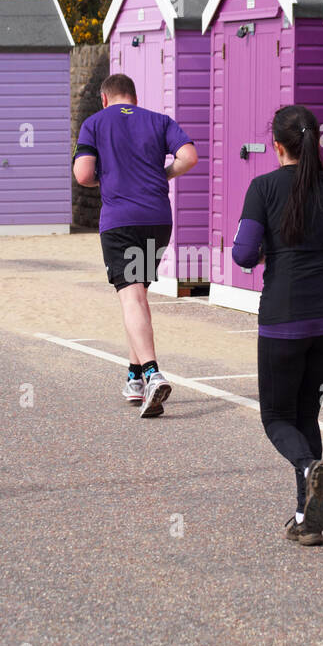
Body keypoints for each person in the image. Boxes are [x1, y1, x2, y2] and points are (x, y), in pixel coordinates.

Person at [231, 105, 323, 548]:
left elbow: (242, 254)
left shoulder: (262, 188)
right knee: (308, 413)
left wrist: (267, 253)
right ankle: (306, 519)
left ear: (277, 146)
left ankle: (312, 470)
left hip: (285, 318)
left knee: (277, 418)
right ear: (317, 141)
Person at [72, 73, 198, 418]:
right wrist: (165, 174)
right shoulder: (158, 121)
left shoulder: (95, 124)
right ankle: (135, 378)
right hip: (157, 220)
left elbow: (83, 174)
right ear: (134, 98)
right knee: (138, 295)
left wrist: (108, 177)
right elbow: (189, 156)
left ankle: (152, 372)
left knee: (131, 297)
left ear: (104, 99)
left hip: (120, 221)